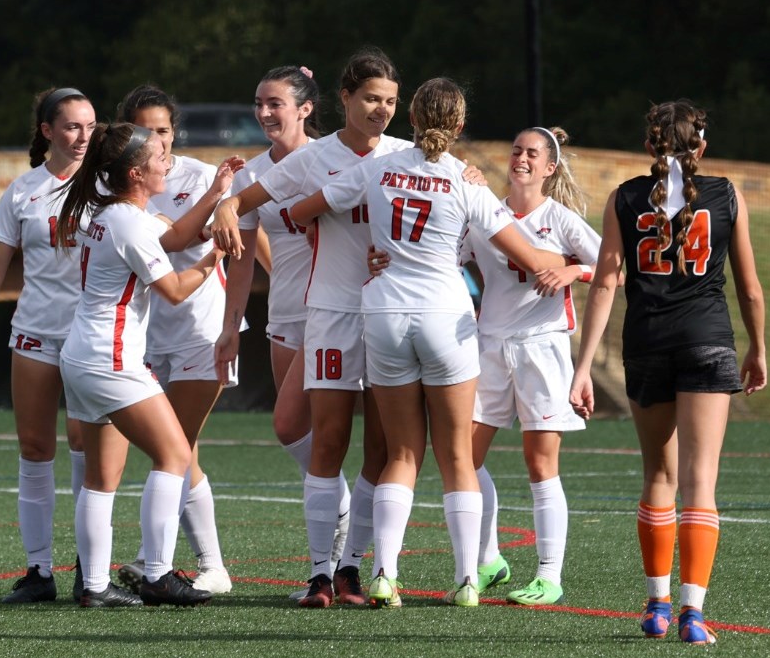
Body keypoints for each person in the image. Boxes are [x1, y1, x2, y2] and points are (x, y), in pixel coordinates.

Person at [290, 78, 567, 609]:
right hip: (445, 317)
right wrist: (575, 264)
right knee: (457, 455)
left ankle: (383, 575)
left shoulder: (376, 168)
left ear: (411, 119)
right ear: (459, 125)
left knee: (400, 453)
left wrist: (361, 250)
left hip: (384, 315)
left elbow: (303, 212)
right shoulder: (465, 180)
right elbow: (532, 259)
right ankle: (466, 582)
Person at [211, 47, 410, 608]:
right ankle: (320, 574)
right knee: (324, 440)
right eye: (371, 98)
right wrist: (225, 207)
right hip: (328, 314)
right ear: (344, 98)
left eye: (390, 101)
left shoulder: (408, 155)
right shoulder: (314, 157)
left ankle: (352, 570)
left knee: (381, 447)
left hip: (389, 316)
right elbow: (245, 201)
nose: (381, 109)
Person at [569, 100, 766, 645]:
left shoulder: (624, 197)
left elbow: (604, 283)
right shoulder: (727, 194)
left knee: (659, 475)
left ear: (648, 146)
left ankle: (656, 606)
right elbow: (750, 288)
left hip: (647, 343)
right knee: (701, 482)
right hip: (708, 341)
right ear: (702, 145)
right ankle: (692, 615)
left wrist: (583, 367)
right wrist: (758, 348)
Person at [53, 121, 229, 608]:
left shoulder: (116, 213)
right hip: (110, 358)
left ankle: (93, 586)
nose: (167, 163)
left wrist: (216, 192)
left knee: (100, 477)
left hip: (82, 356)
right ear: (135, 173)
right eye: (158, 158)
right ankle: (157, 574)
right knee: (175, 456)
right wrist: (215, 255)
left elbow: (175, 236)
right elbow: (173, 290)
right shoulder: (129, 222)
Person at [0, 86, 96, 604]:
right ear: (47, 131)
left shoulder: (105, 185)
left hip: (91, 336)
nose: (83, 136)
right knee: (35, 449)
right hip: (35, 332)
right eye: (72, 126)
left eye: (90, 126)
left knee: (84, 445)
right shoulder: (23, 190)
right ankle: (39, 571)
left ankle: (90, 568)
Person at [110, 84, 244, 596]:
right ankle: (171, 561)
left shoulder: (202, 176)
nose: (158, 141)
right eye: (146, 132)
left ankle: (191, 564)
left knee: (178, 447)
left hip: (201, 331)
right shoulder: (120, 185)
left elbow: (235, 236)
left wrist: (238, 320)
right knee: (179, 451)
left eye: (163, 130)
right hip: (146, 337)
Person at [212, 65, 340, 600]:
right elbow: (240, 261)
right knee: (297, 434)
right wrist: (230, 328)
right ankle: (334, 554)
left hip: (337, 314)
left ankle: (345, 561)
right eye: (259, 103)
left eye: (276, 104)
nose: (264, 113)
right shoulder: (251, 177)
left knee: (302, 427)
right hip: (285, 316)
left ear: (305, 109)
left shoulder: (333, 157)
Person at [462, 126, 600, 606]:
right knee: (463, 456)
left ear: (550, 167)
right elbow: (447, 256)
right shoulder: (485, 210)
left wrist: (572, 269)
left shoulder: (560, 218)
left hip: (542, 347)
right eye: (516, 150)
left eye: (532, 154)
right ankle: (489, 561)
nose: (521, 158)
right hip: (488, 345)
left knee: (540, 463)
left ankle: (548, 575)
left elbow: (614, 269)